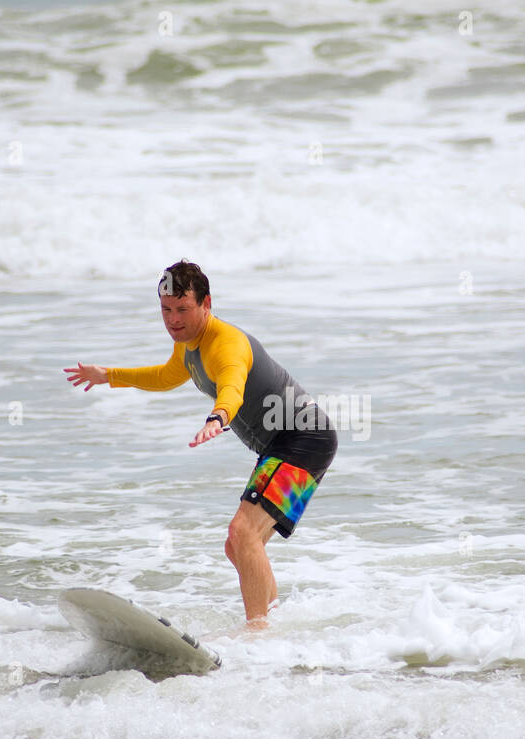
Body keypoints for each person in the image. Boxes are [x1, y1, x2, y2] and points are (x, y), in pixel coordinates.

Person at [64, 260, 337, 630]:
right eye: (166, 310)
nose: (173, 319)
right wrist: (108, 376)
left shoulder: (227, 344)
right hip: (286, 443)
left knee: (242, 533)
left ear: (206, 303)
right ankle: (273, 624)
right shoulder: (189, 343)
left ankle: (260, 634)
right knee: (239, 545)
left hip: (305, 436)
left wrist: (218, 418)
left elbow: (232, 388)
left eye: (183, 309)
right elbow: (165, 376)